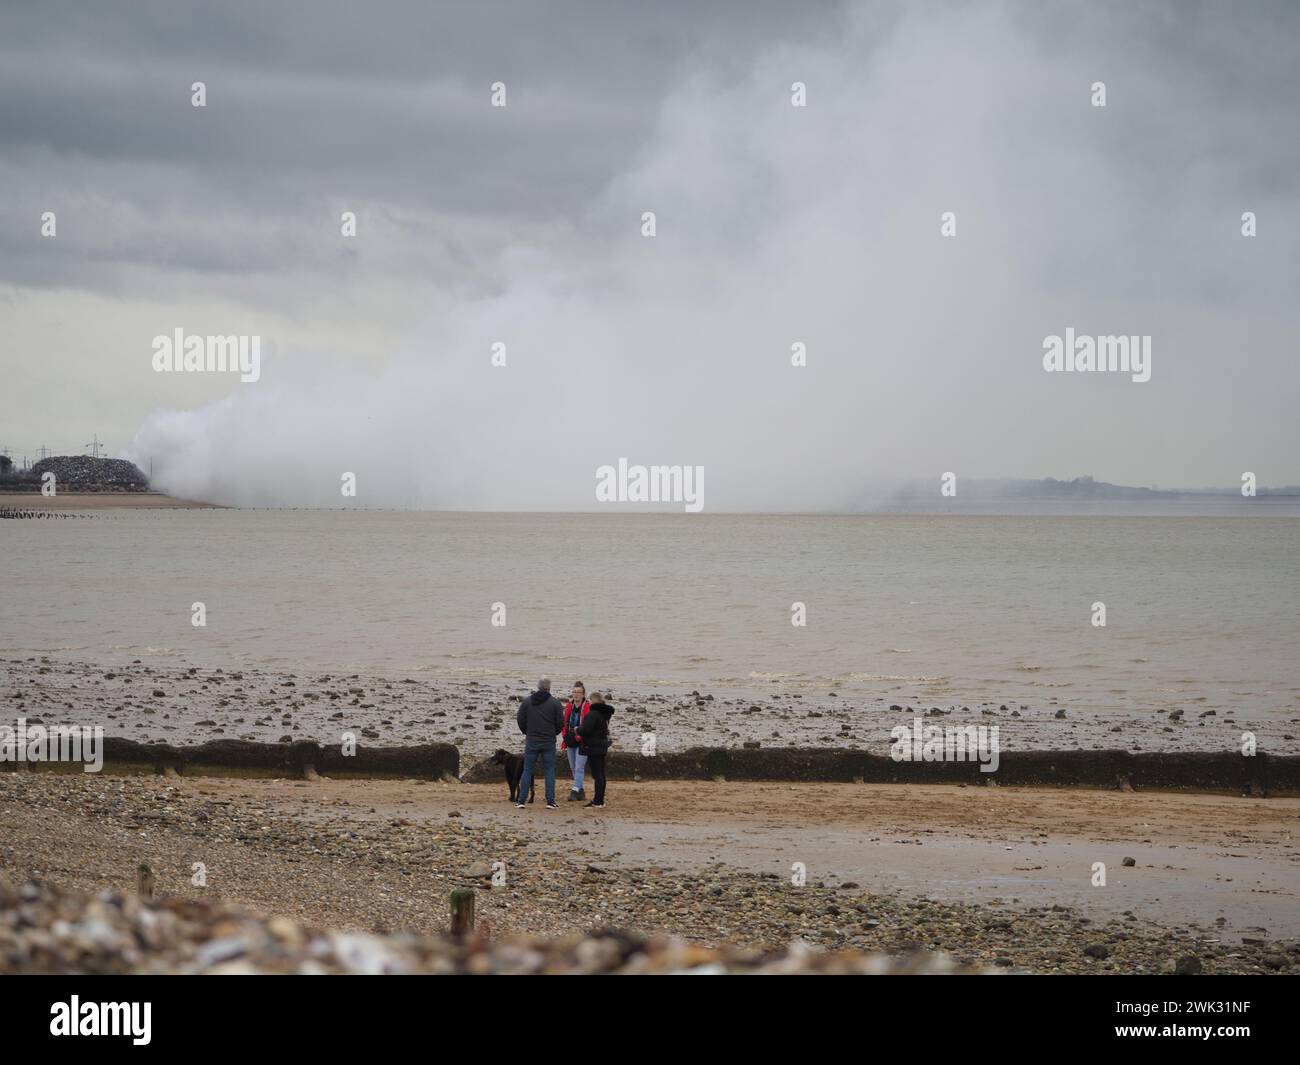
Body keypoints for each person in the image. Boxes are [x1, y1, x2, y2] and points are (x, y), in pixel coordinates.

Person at [515, 677, 565, 810]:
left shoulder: (527, 702)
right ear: (549, 688)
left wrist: (526, 732)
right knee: (549, 771)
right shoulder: (555, 703)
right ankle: (550, 801)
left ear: (538, 687)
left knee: (527, 770)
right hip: (548, 741)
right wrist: (553, 733)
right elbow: (560, 723)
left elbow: (520, 719)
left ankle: (521, 801)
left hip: (532, 740)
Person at [577, 691, 614, 808]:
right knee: (601, 774)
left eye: (589, 700)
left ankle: (598, 801)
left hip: (594, 747)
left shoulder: (593, 714)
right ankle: (599, 800)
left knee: (597, 775)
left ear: (593, 701)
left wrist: (577, 729)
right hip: (602, 746)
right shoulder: (604, 714)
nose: (588, 702)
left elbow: (587, 730)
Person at [560, 680, 591, 801]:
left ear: (583, 694)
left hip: (583, 740)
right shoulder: (569, 706)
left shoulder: (587, 706)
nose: (576, 694)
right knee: (573, 767)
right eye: (574, 692)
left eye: (579, 692)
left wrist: (581, 735)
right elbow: (564, 722)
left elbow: (588, 725)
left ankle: (575, 790)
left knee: (579, 767)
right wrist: (564, 735)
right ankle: (580, 790)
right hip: (570, 738)